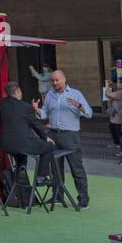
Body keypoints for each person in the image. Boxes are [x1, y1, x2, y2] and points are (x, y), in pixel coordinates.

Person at [37, 68, 92, 208]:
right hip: (54, 134)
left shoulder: (76, 94)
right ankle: (57, 196)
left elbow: (89, 113)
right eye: (53, 80)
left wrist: (78, 106)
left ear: (64, 79)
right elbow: (45, 113)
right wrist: (37, 110)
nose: (55, 83)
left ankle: (83, 198)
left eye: (57, 80)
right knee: (55, 168)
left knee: (76, 168)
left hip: (70, 135)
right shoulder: (49, 95)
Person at [0, 81, 55, 180]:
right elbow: (36, 125)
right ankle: (41, 176)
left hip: (6, 145)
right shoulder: (25, 106)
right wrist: (46, 138)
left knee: (21, 152)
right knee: (49, 147)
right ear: (18, 91)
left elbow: (0, 118)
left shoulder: (3, 104)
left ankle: (21, 168)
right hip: (22, 143)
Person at [105, 79, 122, 149]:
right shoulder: (119, 90)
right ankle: (116, 143)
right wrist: (111, 85)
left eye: (118, 83)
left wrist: (107, 86)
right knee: (112, 128)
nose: (116, 84)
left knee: (118, 131)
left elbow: (109, 94)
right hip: (115, 115)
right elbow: (108, 94)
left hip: (119, 115)